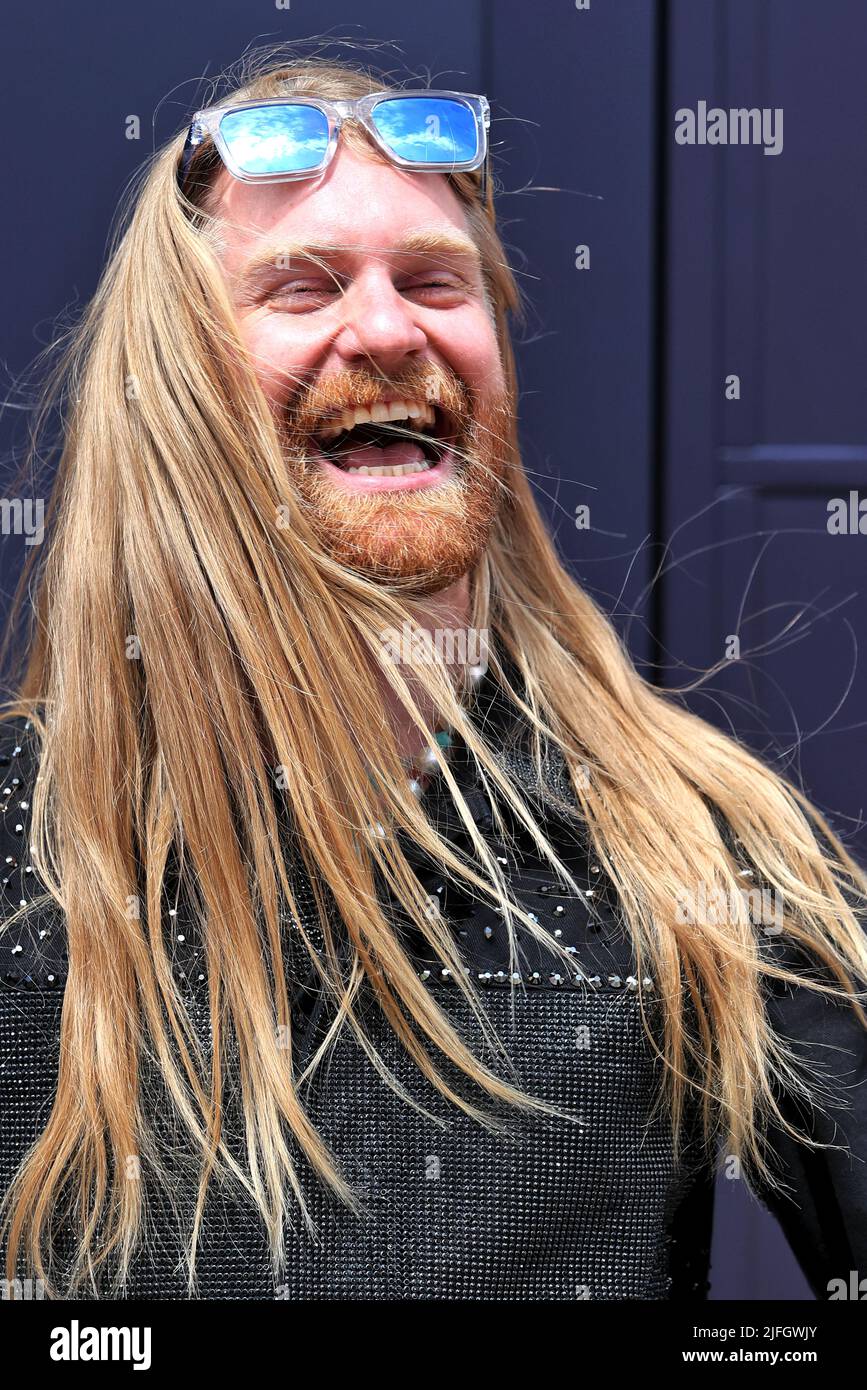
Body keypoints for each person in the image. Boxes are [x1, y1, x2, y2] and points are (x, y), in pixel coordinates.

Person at [0, 50, 865, 1302]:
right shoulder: (22, 847)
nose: (392, 327)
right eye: (303, 285)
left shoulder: (701, 854)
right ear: (174, 391)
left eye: (433, 280)